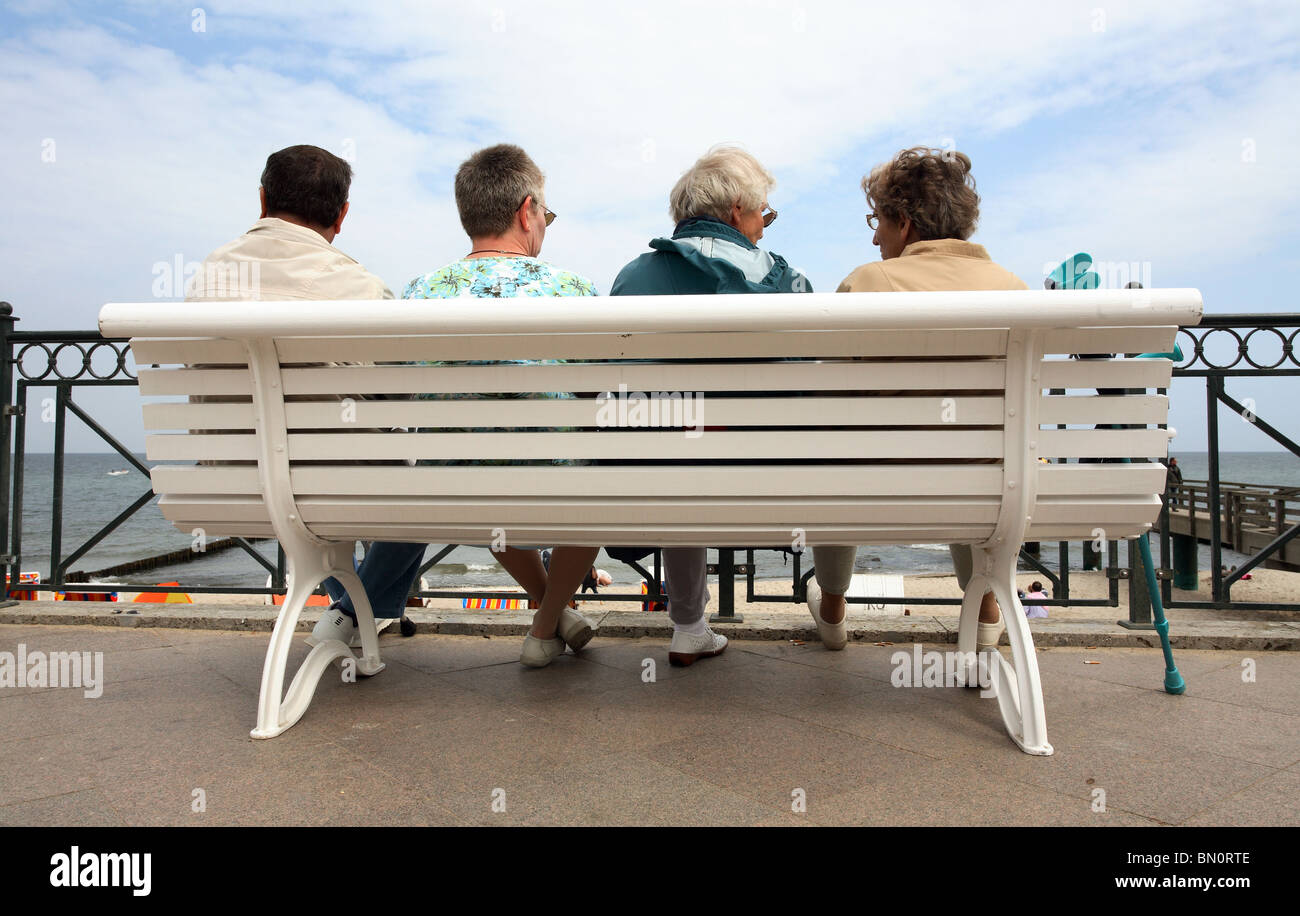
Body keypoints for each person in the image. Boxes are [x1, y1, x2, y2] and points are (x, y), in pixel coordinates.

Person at [309, 144, 601, 668]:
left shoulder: (420, 292)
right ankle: (544, 624)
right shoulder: (572, 289)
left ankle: (551, 615)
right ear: (525, 211)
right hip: (562, 489)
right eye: (546, 215)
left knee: (490, 492)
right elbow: (600, 394)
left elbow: (393, 396)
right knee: (591, 497)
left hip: (454, 490)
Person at [808, 147, 1027, 653]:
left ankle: (835, 606)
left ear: (904, 222)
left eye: (878, 221)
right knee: (983, 456)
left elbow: (828, 395)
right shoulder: (1013, 289)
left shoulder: (867, 282)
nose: (874, 236)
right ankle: (987, 611)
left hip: (874, 484)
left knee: (833, 452)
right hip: (988, 486)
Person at [184, 144, 404, 644]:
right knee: (426, 484)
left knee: (311, 487)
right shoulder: (359, 287)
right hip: (332, 487)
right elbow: (394, 403)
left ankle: (351, 612)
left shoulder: (206, 277)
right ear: (342, 215)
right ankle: (354, 614)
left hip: (229, 484)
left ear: (262, 200)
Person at [610, 144, 812, 665]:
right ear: (736, 211)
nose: (765, 228)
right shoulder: (787, 282)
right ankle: (830, 607)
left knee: (680, 450)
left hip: (661, 479)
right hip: (774, 478)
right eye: (763, 214)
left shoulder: (633, 278)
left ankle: (689, 625)